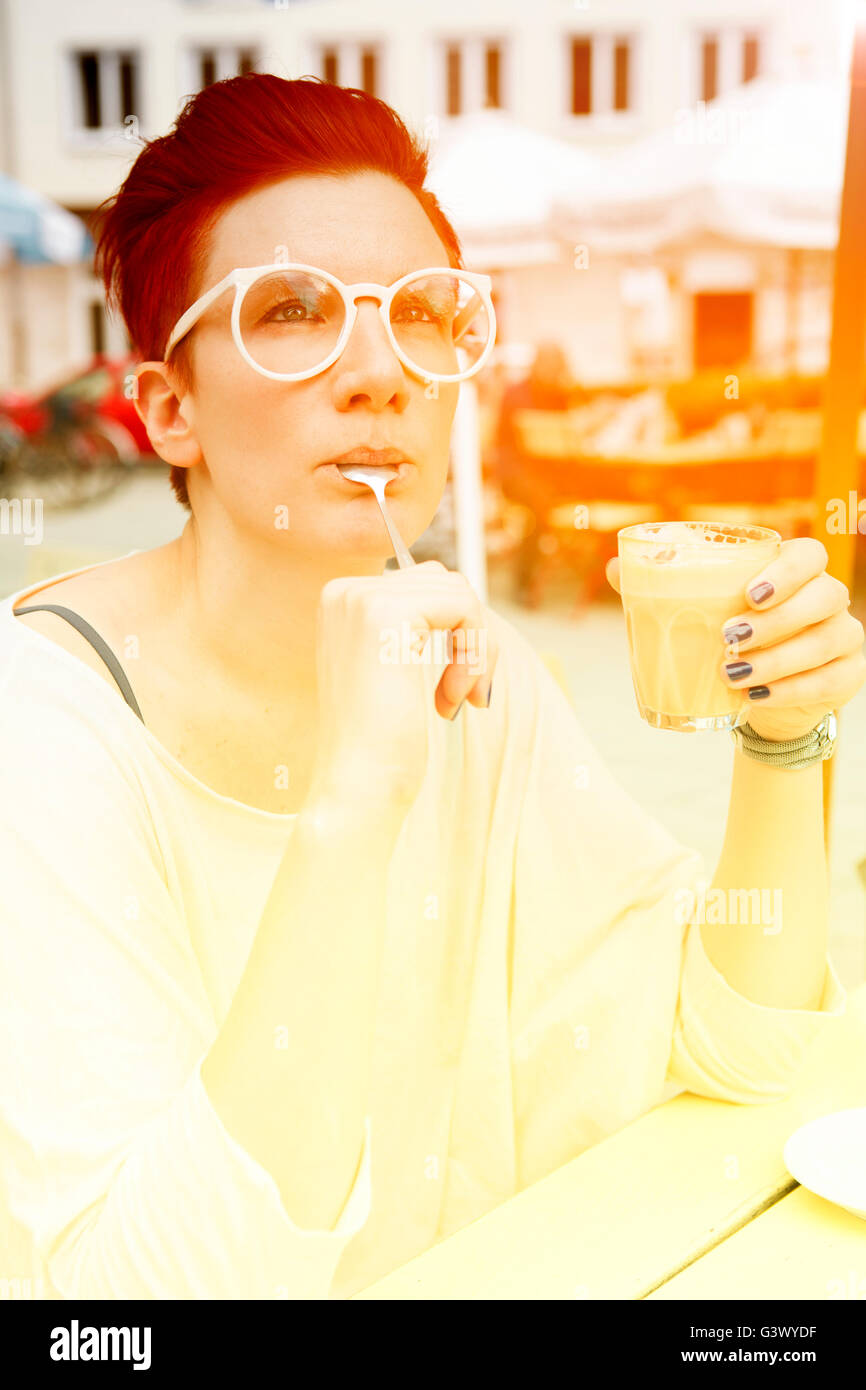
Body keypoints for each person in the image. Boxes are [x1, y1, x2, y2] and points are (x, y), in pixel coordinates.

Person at [0, 74, 862, 1302]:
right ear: (167, 409)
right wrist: (353, 801)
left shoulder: (471, 671)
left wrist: (780, 744)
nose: (380, 373)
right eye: (290, 310)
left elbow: (734, 1040)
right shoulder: (44, 734)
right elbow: (142, 1305)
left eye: (421, 311)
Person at [493, 341, 580, 604]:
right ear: (537, 365)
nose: (556, 372)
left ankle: (591, 563)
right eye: (551, 366)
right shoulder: (517, 394)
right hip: (515, 472)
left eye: (559, 367)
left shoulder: (561, 394)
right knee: (537, 508)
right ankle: (525, 582)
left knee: (588, 489)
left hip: (552, 473)